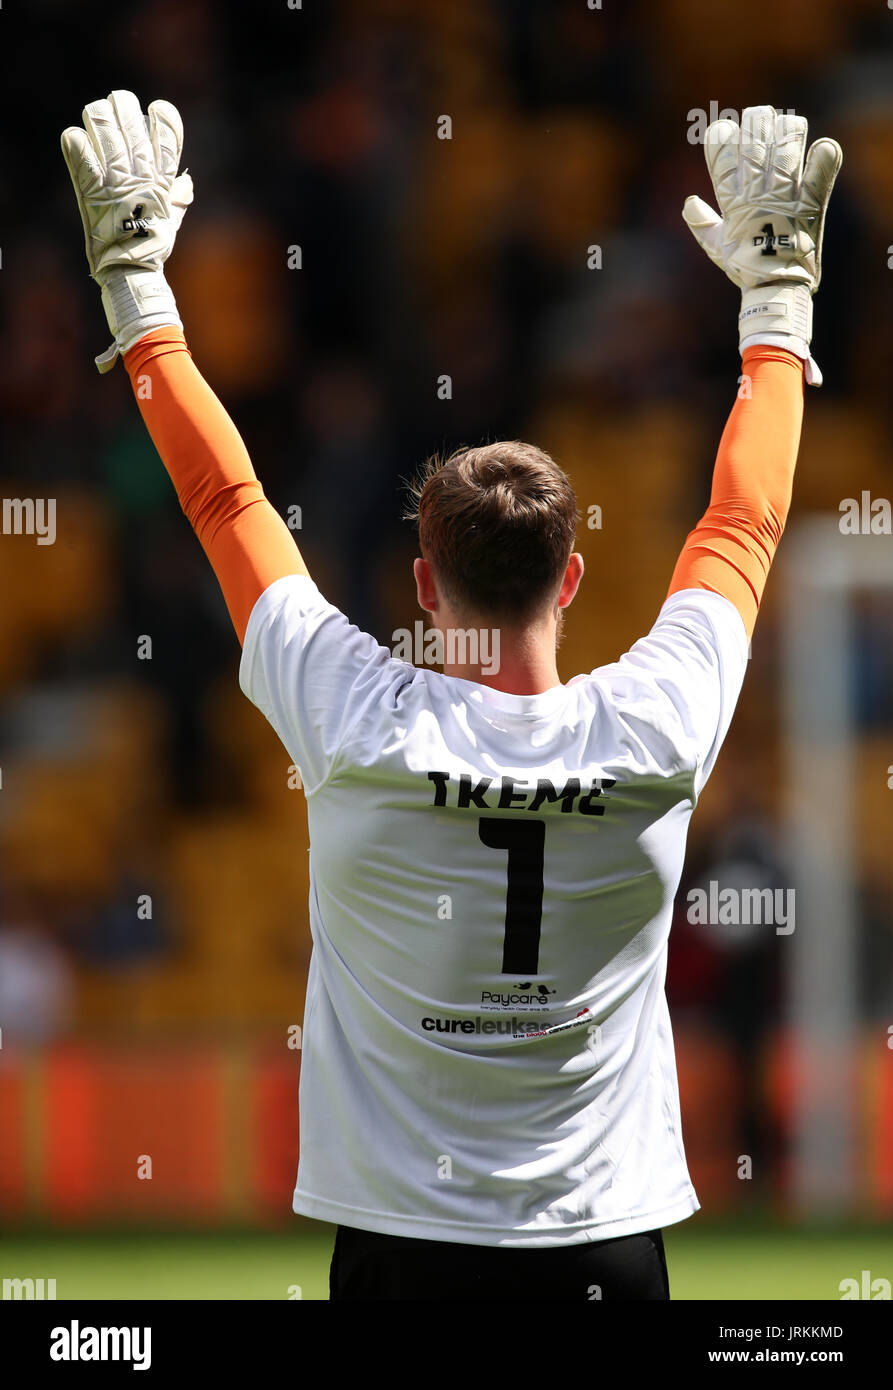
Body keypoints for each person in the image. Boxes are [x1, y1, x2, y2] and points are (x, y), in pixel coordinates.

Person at [61, 95, 840, 1299]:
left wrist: (139, 296)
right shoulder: (654, 725)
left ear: (422, 585)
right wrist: (776, 308)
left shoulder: (352, 714)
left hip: (399, 1251)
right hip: (604, 1248)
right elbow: (742, 521)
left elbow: (229, 506)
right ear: (570, 577)